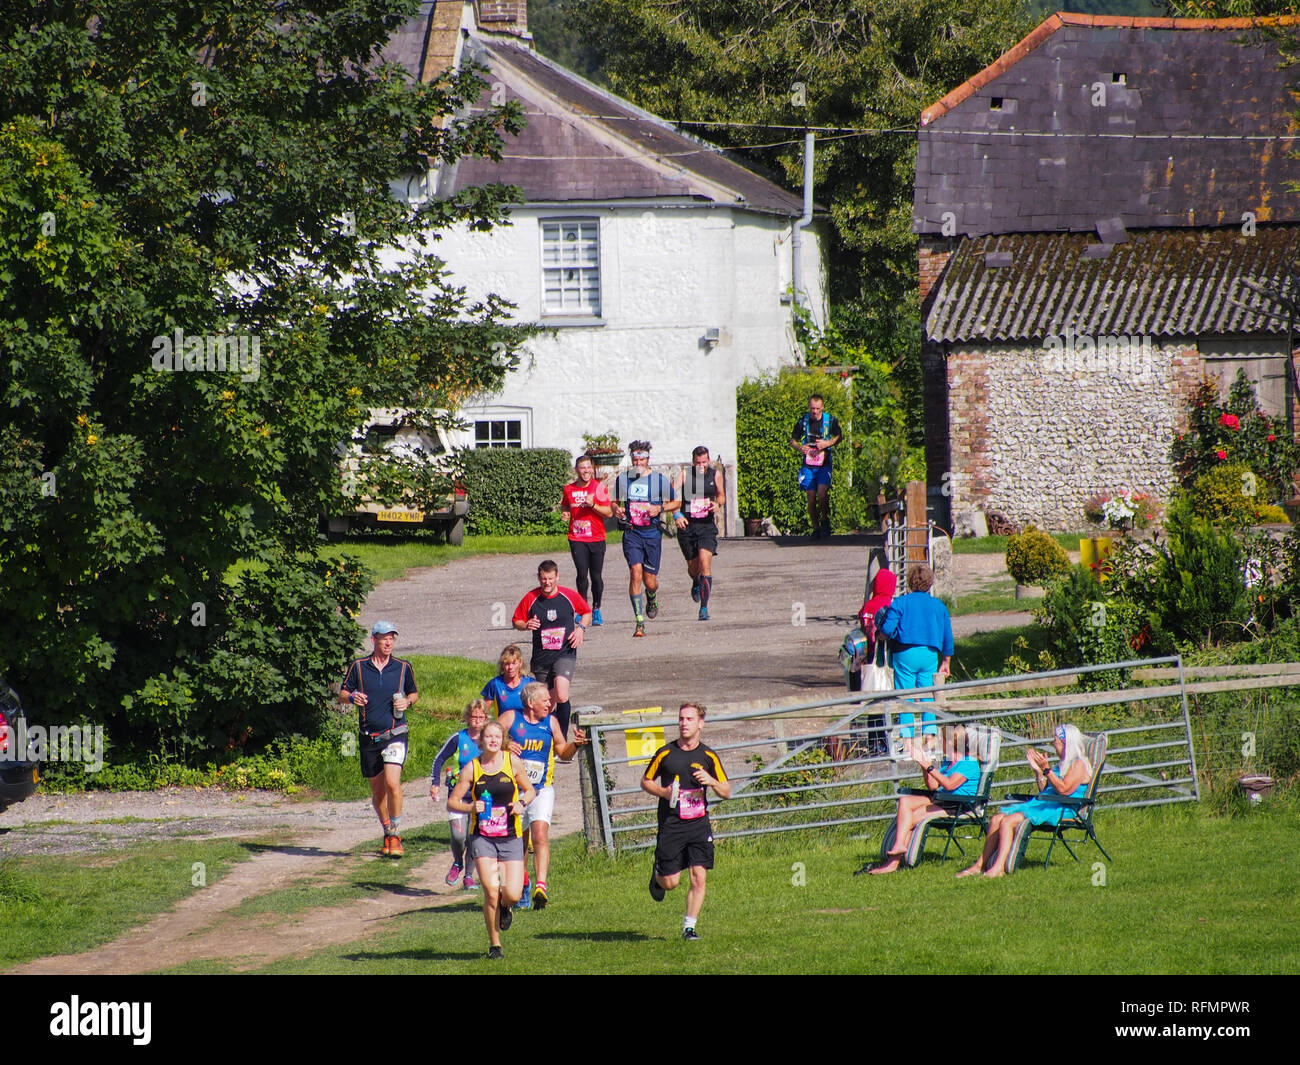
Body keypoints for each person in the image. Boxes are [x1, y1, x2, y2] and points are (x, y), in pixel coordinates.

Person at [642, 702, 731, 940]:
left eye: (689, 719)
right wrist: (664, 793)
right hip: (671, 823)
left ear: (701, 723)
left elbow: (727, 790)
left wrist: (711, 781)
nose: (684, 723)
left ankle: (689, 928)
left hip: (699, 823)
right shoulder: (666, 753)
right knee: (671, 883)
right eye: (681, 719)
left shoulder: (708, 755)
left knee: (699, 876)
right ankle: (658, 876)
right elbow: (646, 781)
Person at [448, 720, 536, 958]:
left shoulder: (512, 762)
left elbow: (530, 790)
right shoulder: (472, 768)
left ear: (503, 739)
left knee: (513, 893)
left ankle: (506, 906)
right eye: (489, 736)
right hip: (483, 837)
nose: (493, 740)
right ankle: (495, 944)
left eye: (498, 736)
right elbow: (452, 802)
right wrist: (471, 808)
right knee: (490, 889)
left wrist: (521, 803)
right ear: (482, 740)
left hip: (510, 836)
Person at [497, 681, 589, 911]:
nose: (550, 703)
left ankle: (541, 886)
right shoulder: (510, 718)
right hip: (514, 791)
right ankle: (522, 886)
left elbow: (562, 752)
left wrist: (575, 745)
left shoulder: (551, 722)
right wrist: (505, 746)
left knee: (540, 833)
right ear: (530, 703)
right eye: (545, 700)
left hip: (541, 789)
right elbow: (488, 740)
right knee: (519, 844)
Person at [957, 724, 1092, 879]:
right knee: (996, 819)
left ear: (1065, 742)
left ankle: (998, 867)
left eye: (1055, 739)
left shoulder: (1078, 764)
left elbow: (1064, 790)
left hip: (1061, 808)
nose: (1053, 743)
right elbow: (1045, 791)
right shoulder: (1062, 764)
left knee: (1007, 821)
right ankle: (979, 865)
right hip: (1045, 804)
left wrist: (1047, 770)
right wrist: (1038, 772)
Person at [339, 621, 418, 858]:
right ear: (373, 640)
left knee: (393, 783)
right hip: (368, 737)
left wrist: (408, 702)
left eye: (392, 638)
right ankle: (387, 829)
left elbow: (413, 692)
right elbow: (342, 694)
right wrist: (352, 698)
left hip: (395, 733)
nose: (388, 642)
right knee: (378, 792)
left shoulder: (403, 667)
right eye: (384, 638)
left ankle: (395, 832)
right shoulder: (359, 666)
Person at [870, 725, 978, 875]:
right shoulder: (949, 763)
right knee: (906, 801)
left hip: (957, 804)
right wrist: (923, 764)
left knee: (910, 820)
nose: (940, 743)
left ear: (951, 743)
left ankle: (892, 864)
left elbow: (949, 784)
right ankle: (900, 844)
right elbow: (933, 786)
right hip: (942, 798)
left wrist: (929, 766)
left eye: (942, 740)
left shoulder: (969, 763)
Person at [877, 564, 954, 758]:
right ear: (930, 583)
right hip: (929, 653)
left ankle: (908, 741)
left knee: (906, 695)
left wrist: (881, 637)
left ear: (910, 582)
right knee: (928, 694)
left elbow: (887, 629)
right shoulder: (939, 606)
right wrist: (946, 660)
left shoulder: (900, 603)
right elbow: (947, 636)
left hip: (904, 653)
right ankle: (929, 739)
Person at [511, 561, 591, 738]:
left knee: (562, 694)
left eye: (550, 579)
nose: (547, 583)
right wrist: (526, 625)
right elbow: (516, 620)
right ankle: (550, 740)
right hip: (542, 658)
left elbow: (586, 612)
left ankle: (562, 739)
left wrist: (580, 629)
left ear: (557, 577)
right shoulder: (531, 598)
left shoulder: (568, 596)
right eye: (543, 579)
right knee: (547, 702)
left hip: (565, 652)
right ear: (539, 578)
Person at [611, 440, 678, 637]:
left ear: (648, 459)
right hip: (632, 533)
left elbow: (676, 502)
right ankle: (639, 622)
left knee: (650, 582)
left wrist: (661, 508)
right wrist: (617, 509)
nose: (638, 461)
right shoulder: (623, 479)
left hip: (652, 534)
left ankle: (652, 596)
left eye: (642, 457)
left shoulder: (658, 480)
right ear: (631, 458)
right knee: (635, 573)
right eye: (635, 457)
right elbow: (614, 503)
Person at [429, 698, 489, 890]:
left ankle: (469, 876)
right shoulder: (458, 738)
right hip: (457, 796)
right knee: (458, 836)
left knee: (475, 838)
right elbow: (438, 759)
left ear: (486, 718)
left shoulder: (491, 739)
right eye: (474, 717)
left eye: (481, 717)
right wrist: (435, 783)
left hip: (481, 797)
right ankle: (457, 862)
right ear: (467, 717)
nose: (478, 721)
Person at [674, 445, 725, 622]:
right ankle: (696, 581)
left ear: (708, 461)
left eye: (704, 462)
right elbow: (670, 494)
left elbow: (721, 495)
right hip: (687, 527)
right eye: (698, 463)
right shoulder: (684, 474)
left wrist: (718, 504)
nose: (701, 466)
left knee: (705, 562)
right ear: (692, 461)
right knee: (693, 567)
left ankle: (704, 607)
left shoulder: (715, 475)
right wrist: (676, 513)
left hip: (706, 526)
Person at [562, 454, 614, 626]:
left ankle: (597, 608)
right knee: (582, 574)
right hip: (576, 537)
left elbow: (608, 513)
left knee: (596, 576)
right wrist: (566, 512)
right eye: (582, 468)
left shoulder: (598, 488)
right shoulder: (569, 489)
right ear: (576, 470)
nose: (586, 471)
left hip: (597, 537)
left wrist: (593, 505)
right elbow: (565, 504)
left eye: (588, 467)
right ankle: (583, 610)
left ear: (592, 469)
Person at [789, 394, 842, 539]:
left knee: (822, 494)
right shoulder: (803, 421)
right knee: (811, 498)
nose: (815, 412)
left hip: (824, 464)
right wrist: (800, 448)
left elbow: (839, 436)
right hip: (808, 464)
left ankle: (825, 521)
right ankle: (816, 528)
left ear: (822, 407)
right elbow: (792, 439)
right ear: (809, 407)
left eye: (818, 409)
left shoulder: (830, 420)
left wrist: (827, 443)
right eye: (812, 408)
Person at [480, 644, 535, 718]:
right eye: (507, 664)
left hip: (526, 727)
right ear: (502, 665)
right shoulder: (494, 684)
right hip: (503, 727)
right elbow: (482, 712)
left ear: (520, 663)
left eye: (514, 663)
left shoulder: (530, 683)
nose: (510, 667)